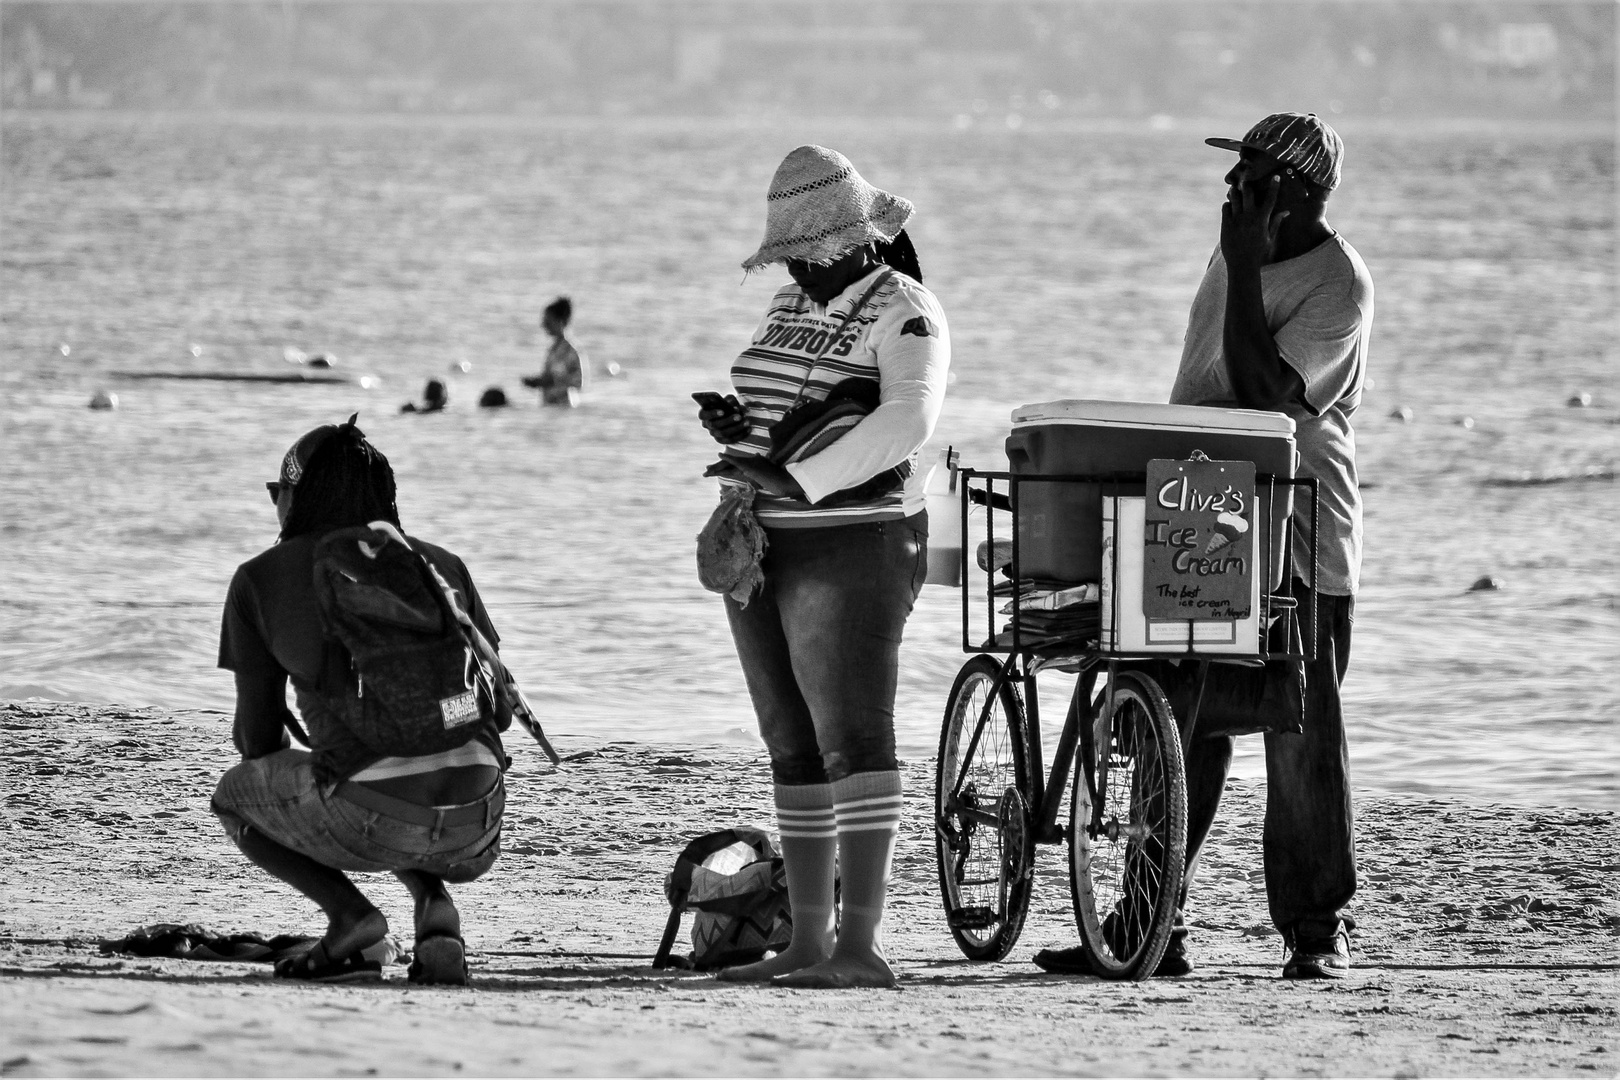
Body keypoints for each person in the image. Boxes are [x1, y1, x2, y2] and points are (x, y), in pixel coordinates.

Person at [1036, 112, 1372, 980]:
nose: (1231, 190)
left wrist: (1251, 259)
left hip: (1298, 531)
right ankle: (1150, 923)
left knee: (1300, 726)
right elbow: (1203, 383)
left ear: (1295, 191)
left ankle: (1314, 930)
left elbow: (1268, 396)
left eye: (1250, 175)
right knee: (1180, 714)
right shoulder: (1233, 253)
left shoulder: (1340, 283)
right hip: (1205, 509)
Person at [695, 145, 949, 989]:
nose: (799, 269)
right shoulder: (780, 306)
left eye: (810, 252)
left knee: (854, 740)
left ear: (859, 239)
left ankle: (861, 947)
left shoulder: (907, 310)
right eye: (790, 255)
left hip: (856, 539)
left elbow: (908, 421)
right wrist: (741, 432)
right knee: (792, 746)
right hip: (765, 543)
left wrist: (792, 477)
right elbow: (787, 411)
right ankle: (808, 940)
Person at [212, 416, 509, 985]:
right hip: (480, 824)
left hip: (375, 821)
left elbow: (255, 742)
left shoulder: (258, 578)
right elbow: (494, 708)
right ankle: (434, 908)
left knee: (234, 796)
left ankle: (352, 918)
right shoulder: (441, 565)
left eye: (278, 494)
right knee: (398, 749)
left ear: (296, 497)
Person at [522, 296, 587, 406]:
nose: (544, 326)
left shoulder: (571, 350)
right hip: (550, 408)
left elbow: (579, 382)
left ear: (560, 322)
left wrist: (550, 381)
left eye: (548, 322)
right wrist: (539, 382)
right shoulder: (553, 349)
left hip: (564, 408)